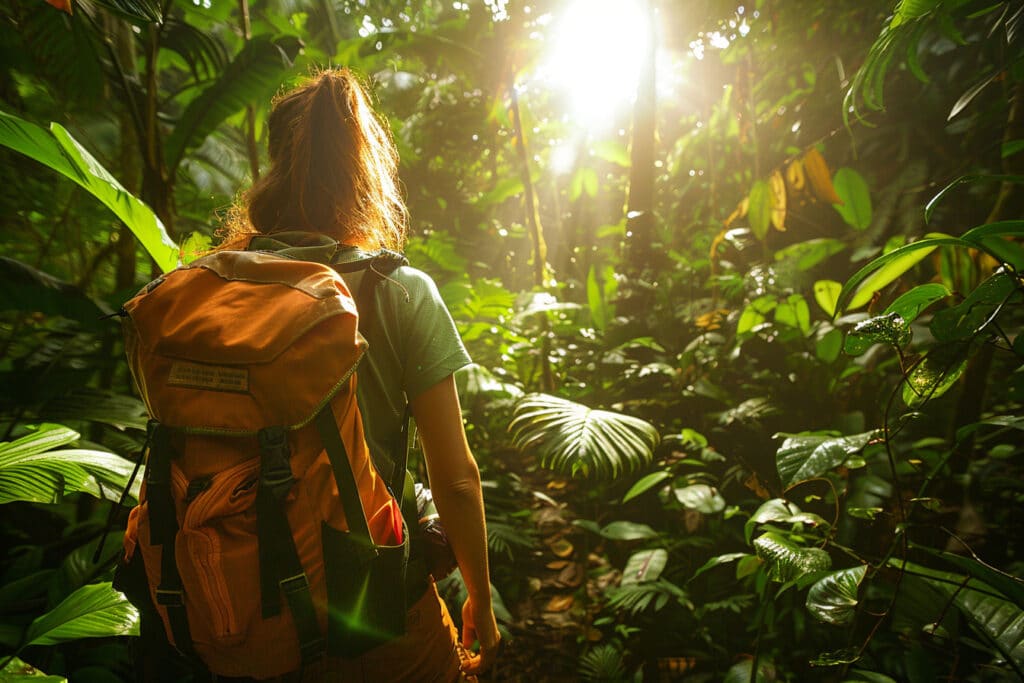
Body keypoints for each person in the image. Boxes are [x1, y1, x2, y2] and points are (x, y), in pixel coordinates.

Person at [218, 67, 501, 681]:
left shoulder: (220, 287)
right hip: (366, 597)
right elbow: (455, 479)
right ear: (365, 167)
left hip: (236, 595)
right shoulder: (399, 291)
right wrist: (479, 594)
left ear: (274, 166)